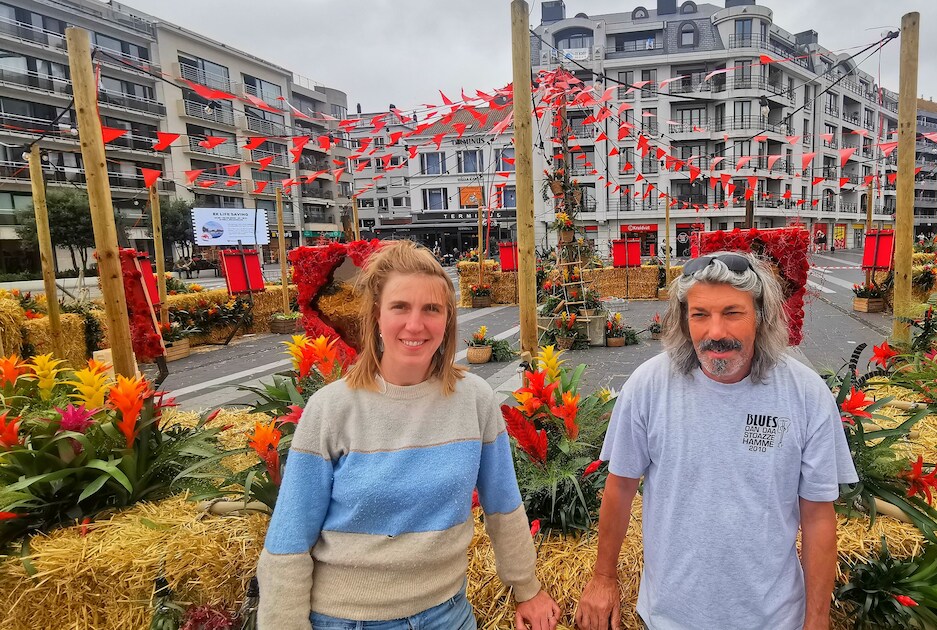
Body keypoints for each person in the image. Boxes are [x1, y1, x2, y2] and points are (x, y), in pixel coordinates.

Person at [257, 240, 560, 630]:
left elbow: (502, 505)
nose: (415, 325)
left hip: (448, 612)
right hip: (348, 620)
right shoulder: (332, 409)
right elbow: (289, 539)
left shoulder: (475, 400)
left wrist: (527, 588)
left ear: (448, 319)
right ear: (376, 316)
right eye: (400, 307)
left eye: (431, 309)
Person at [575, 251, 858, 630]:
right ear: (682, 319)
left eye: (732, 313)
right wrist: (604, 578)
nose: (715, 333)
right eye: (700, 315)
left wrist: (817, 619)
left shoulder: (805, 394)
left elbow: (818, 516)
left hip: (773, 619)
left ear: (760, 316)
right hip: (670, 617)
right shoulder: (648, 386)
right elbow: (621, 486)